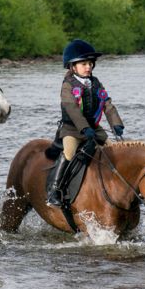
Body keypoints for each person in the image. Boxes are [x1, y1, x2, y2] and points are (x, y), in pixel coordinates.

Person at [44, 39, 125, 207]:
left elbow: (107, 104)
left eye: (90, 63)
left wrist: (116, 124)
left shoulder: (95, 83)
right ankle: (55, 189)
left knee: (114, 152)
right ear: (72, 66)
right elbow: (72, 109)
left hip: (94, 129)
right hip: (72, 130)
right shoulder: (68, 85)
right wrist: (84, 128)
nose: (88, 67)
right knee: (69, 153)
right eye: (83, 64)